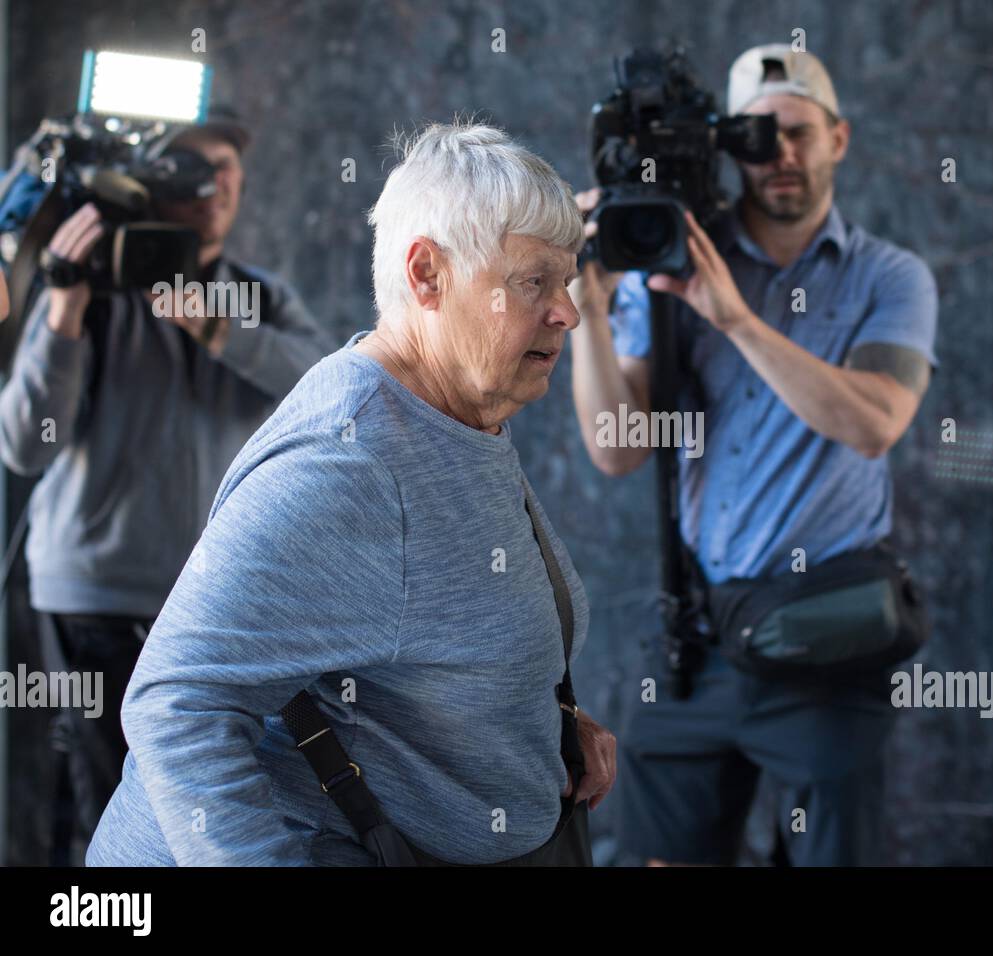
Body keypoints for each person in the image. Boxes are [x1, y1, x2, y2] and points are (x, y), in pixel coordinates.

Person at [86, 121, 616, 866]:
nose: (567, 309)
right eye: (534, 281)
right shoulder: (349, 461)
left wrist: (537, 720)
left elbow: (423, 641)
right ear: (427, 274)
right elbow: (176, 705)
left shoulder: (453, 406)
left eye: (566, 280)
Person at [569, 45, 939, 865]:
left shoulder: (890, 277)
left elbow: (876, 420)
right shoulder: (666, 260)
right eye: (760, 135)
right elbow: (616, 449)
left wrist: (735, 320)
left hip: (824, 641)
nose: (783, 155)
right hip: (697, 638)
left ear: (838, 138)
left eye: (801, 132)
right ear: (731, 145)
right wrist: (591, 313)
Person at [0, 108, 336, 865]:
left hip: (218, 603)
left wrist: (210, 320)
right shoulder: (91, 297)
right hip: (93, 599)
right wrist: (64, 305)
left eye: (230, 171)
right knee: (100, 805)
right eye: (195, 167)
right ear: (150, 181)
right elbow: (24, 443)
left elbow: (327, 396)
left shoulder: (256, 295)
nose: (215, 185)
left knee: (208, 807)